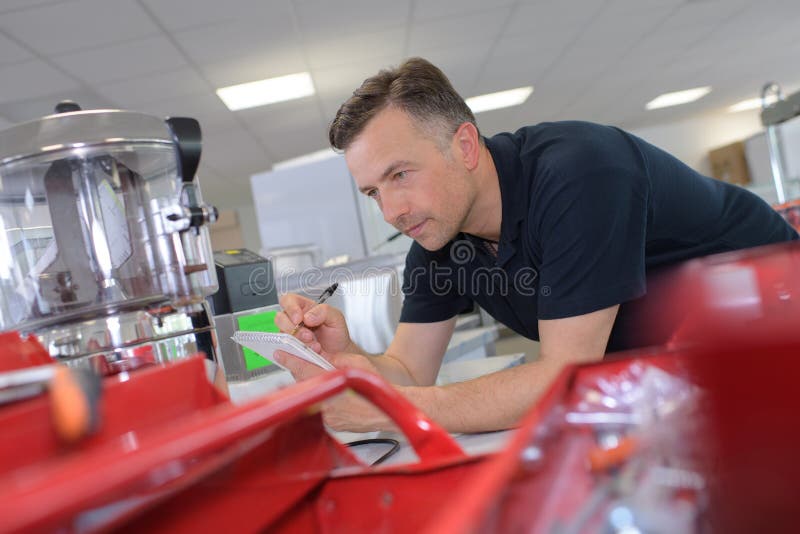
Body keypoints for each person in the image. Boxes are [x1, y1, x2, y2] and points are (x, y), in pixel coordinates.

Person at [273, 57, 798, 434]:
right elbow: (408, 372)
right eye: (373, 192)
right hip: (677, 353)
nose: (391, 211)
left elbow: (565, 375)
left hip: (772, 307)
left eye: (401, 174)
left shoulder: (579, 172)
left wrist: (397, 411)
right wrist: (347, 359)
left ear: (464, 146)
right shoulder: (436, 242)